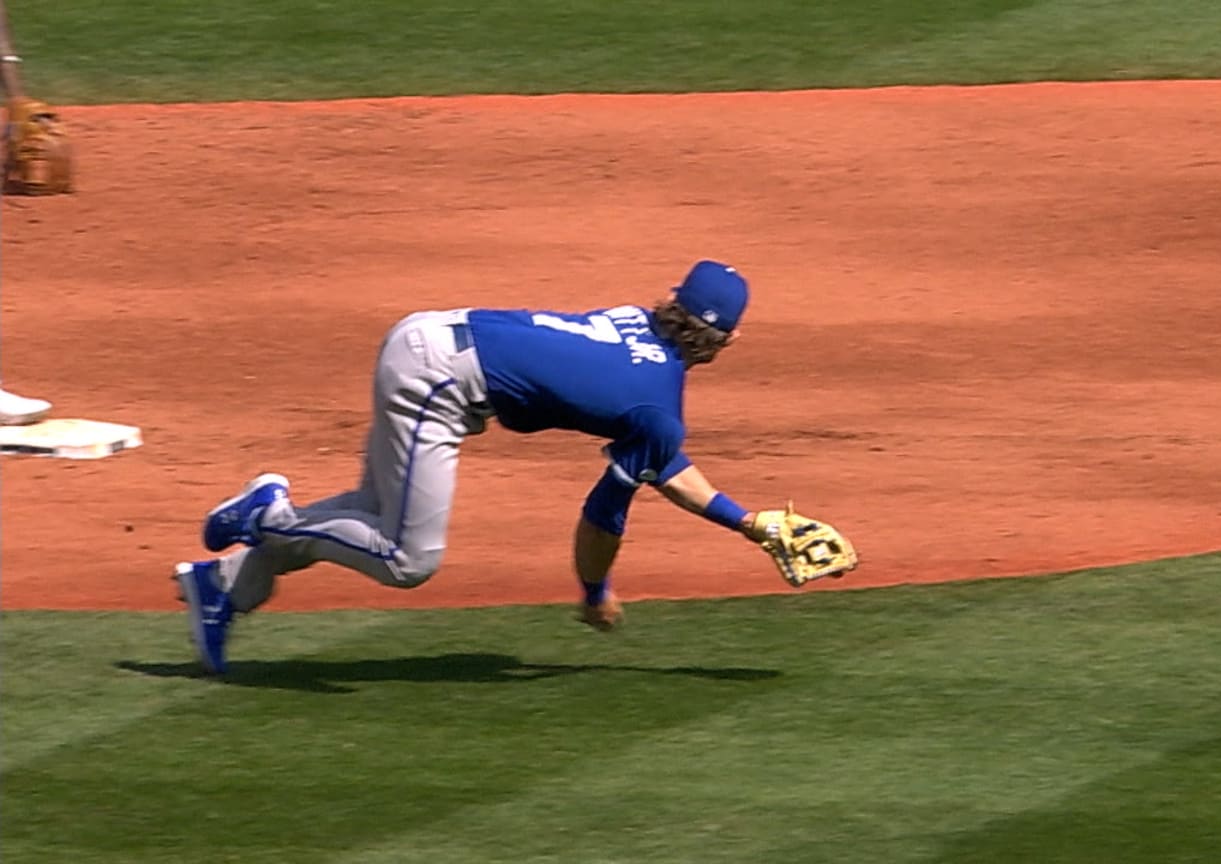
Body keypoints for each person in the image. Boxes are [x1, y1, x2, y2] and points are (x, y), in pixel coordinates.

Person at [176, 259, 778, 675]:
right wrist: (594, 591)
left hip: (429, 338)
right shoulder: (656, 408)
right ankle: (267, 512)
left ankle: (224, 588)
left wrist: (747, 522)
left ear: (671, 302)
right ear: (727, 342)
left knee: (367, 520)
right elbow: (603, 514)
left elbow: (663, 463)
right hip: (434, 383)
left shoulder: (633, 326)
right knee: (407, 559)